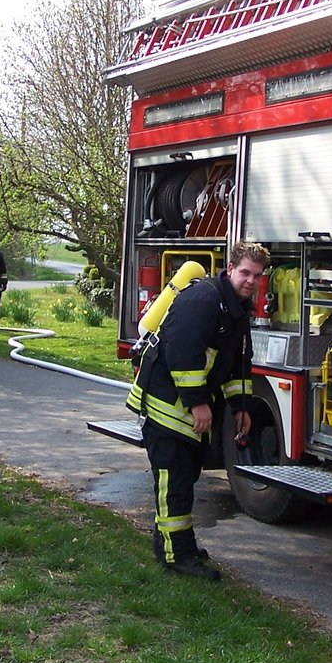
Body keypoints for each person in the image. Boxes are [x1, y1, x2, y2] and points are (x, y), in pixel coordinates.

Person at [126, 241, 270, 580]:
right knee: (174, 482)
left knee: (183, 479)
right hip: (167, 409)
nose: (250, 280)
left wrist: (240, 407)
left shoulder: (235, 309)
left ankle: (173, 545)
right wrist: (198, 402)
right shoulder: (204, 299)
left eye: (257, 276)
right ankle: (179, 556)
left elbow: (234, 364)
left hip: (184, 412)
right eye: (245, 272)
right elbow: (181, 350)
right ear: (231, 269)